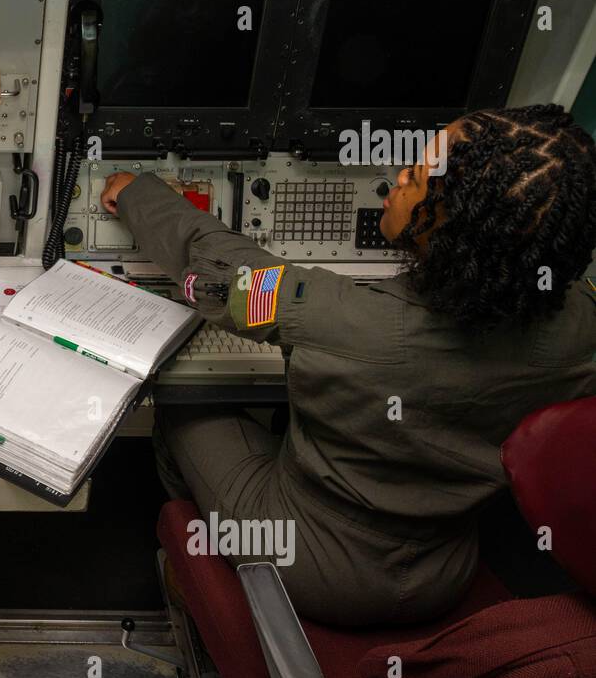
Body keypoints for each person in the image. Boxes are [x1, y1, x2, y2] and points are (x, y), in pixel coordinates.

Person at [101, 104, 596, 626]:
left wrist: (138, 192)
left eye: (421, 176)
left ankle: (196, 576)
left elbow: (226, 277)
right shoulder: (584, 326)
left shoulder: (332, 315)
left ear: (456, 227)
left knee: (182, 403)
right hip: (445, 571)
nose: (401, 175)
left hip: (306, 566)